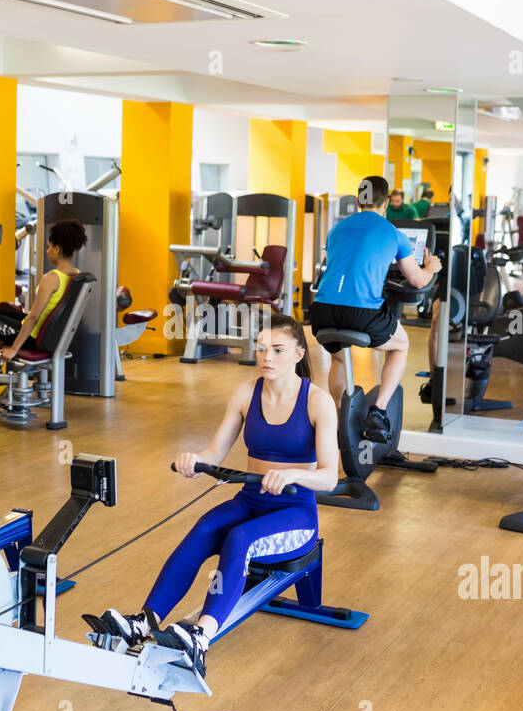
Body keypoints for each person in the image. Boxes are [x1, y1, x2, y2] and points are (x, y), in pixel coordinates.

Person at [91, 315, 339, 676]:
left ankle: (201, 635)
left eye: (278, 350)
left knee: (241, 538)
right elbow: (214, 452)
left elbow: (329, 477)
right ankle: (145, 621)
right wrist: (195, 461)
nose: (266, 356)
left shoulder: (318, 402)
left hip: (296, 514)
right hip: (250, 501)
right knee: (206, 527)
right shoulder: (245, 393)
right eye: (261, 348)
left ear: (299, 353)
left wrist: (291, 475)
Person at [310, 175, 440, 443]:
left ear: (358, 201)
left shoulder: (336, 229)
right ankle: (378, 411)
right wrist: (432, 267)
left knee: (338, 357)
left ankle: (338, 418)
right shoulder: (393, 233)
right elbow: (417, 280)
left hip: (321, 311)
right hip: (360, 313)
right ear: (386, 204)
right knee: (400, 345)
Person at [0, 220, 87, 369]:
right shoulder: (77, 275)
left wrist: (14, 349)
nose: (47, 251)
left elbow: (33, 317)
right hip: (49, 334)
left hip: (34, 337)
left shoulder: (51, 278)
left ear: (57, 249)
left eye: (49, 247)